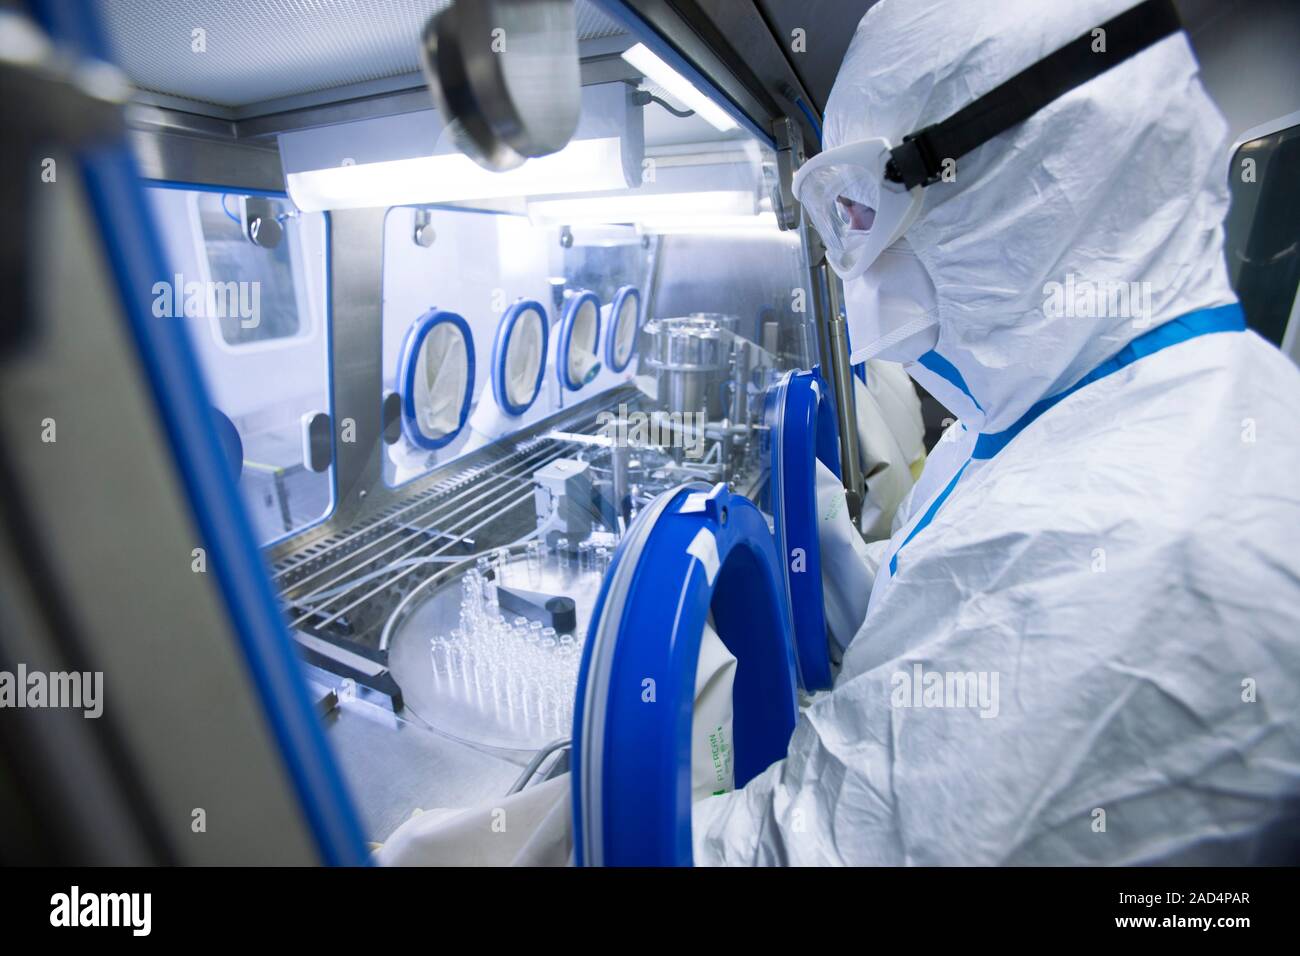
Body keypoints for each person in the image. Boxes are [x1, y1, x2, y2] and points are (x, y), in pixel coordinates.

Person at [691, 0, 1300, 864]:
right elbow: (942, 619)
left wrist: (553, 835)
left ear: (1036, 170)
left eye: (859, 210)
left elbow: (809, 849)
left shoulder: (1141, 542)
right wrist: (819, 531)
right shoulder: (1055, 409)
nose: (847, 264)